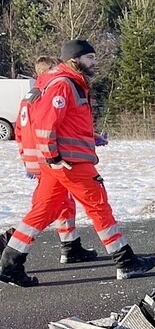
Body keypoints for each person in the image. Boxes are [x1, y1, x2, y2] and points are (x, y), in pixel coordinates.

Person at [0, 39, 155, 287]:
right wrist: (54, 158)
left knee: (43, 211)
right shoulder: (63, 84)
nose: (95, 62)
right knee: (99, 208)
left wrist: (91, 138)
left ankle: (10, 263)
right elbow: (45, 125)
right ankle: (126, 263)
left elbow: (67, 125)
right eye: (90, 57)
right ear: (75, 60)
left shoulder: (70, 83)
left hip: (61, 164)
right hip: (71, 165)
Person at [0, 56, 98, 265]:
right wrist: (50, 155)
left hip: (37, 158)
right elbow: (45, 126)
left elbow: (19, 129)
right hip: (47, 159)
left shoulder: (30, 94)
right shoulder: (48, 92)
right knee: (45, 209)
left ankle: (70, 245)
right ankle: (10, 242)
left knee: (62, 203)